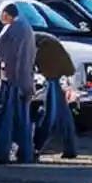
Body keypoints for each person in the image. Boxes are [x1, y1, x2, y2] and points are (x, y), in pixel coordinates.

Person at [0, 0, 37, 164]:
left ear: (5, 15)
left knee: (7, 119)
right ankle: (26, 154)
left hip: (12, 79)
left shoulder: (10, 29)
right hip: (26, 79)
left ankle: (2, 154)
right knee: (24, 119)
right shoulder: (28, 28)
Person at [33, 31, 78, 159]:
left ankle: (36, 146)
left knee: (50, 115)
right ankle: (70, 148)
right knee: (63, 115)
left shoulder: (36, 42)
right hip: (60, 74)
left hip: (53, 75)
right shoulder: (44, 39)